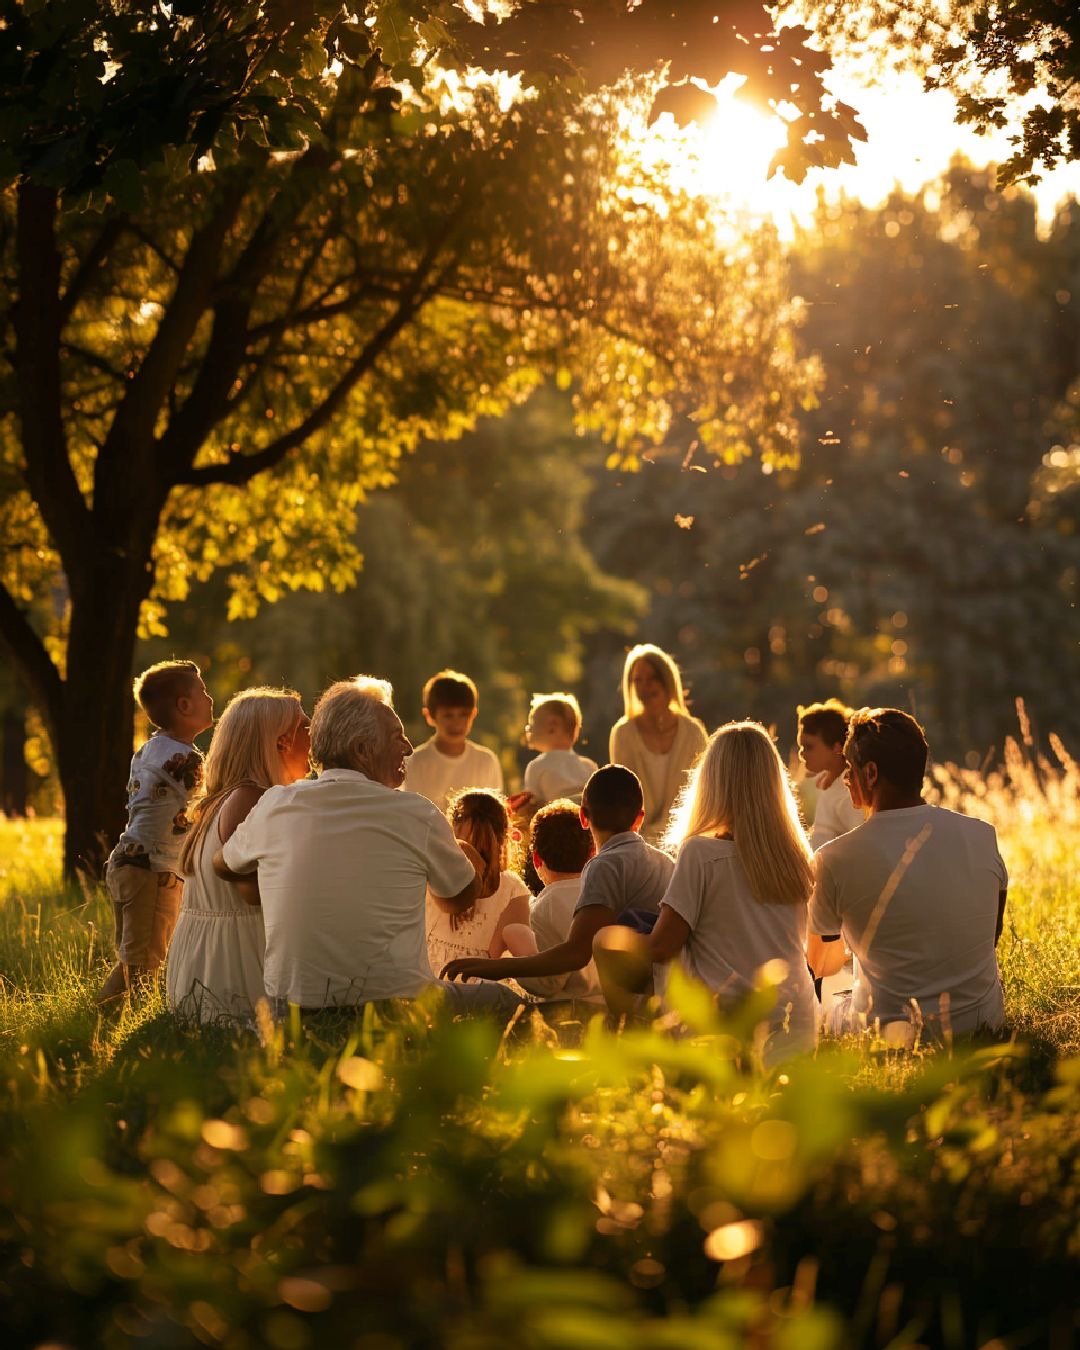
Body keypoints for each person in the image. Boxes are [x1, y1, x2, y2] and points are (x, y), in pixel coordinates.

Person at [215, 676, 520, 1014]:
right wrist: (470, 858)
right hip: (398, 1007)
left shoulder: (277, 804)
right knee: (507, 1002)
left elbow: (223, 863)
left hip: (292, 1011)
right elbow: (459, 899)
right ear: (362, 750)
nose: (407, 747)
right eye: (397, 738)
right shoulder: (416, 813)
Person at [599, 722, 817, 1063]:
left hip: (727, 1029)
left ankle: (623, 1049)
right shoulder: (795, 855)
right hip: (798, 1024)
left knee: (608, 943)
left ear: (711, 782)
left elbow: (661, 947)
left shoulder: (700, 853)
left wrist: (611, 941)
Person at [807, 708, 1008, 1041]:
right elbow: (992, 934)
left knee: (828, 989)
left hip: (891, 1033)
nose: (845, 778)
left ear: (870, 773)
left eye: (849, 768)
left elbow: (818, 966)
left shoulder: (833, 857)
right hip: (981, 1021)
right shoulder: (983, 835)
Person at [441, 765, 673, 989]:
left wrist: (498, 967)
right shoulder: (667, 863)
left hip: (635, 1006)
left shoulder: (603, 867)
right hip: (672, 993)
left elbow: (575, 954)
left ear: (583, 817)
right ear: (640, 818)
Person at [166, 688, 311, 1023]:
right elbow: (254, 893)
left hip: (204, 967)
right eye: (305, 727)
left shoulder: (224, 799)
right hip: (234, 974)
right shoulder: (252, 799)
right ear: (281, 742)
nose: (314, 734)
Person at [98, 660, 214, 1004]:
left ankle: (100, 1017)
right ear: (184, 705)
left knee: (133, 958)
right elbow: (211, 802)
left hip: (127, 862)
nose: (210, 699)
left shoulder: (148, 749)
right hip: (152, 870)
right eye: (203, 692)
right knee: (145, 963)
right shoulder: (186, 761)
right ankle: (134, 1028)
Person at [502, 799, 603, 1002]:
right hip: (616, 1014)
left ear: (537, 859)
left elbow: (547, 984)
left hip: (572, 1018)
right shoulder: (606, 895)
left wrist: (513, 956)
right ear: (593, 853)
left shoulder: (542, 909)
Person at [425, 789, 531, 977]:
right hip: (482, 994)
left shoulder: (431, 873)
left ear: (451, 832)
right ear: (504, 836)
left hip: (428, 989)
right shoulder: (513, 890)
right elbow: (505, 956)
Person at [608, 643, 708, 842]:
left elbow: (705, 795)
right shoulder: (623, 734)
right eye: (638, 680)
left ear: (668, 681)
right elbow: (621, 800)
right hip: (638, 843)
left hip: (687, 839)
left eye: (652, 678)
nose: (644, 687)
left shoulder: (693, 732)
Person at [402, 669, 503, 811]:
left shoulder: (486, 761)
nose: (456, 723)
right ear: (429, 716)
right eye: (448, 715)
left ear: (473, 714)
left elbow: (494, 813)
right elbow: (411, 814)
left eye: (463, 714)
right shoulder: (414, 762)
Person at [797, 699, 865, 848]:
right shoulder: (830, 783)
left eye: (809, 747)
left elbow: (862, 845)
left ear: (837, 747)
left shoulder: (849, 795)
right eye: (801, 746)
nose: (801, 755)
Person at [518, 693, 598, 812]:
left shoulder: (537, 766)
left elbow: (530, 810)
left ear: (552, 726)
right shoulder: (589, 766)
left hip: (555, 825)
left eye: (532, 723)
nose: (528, 728)